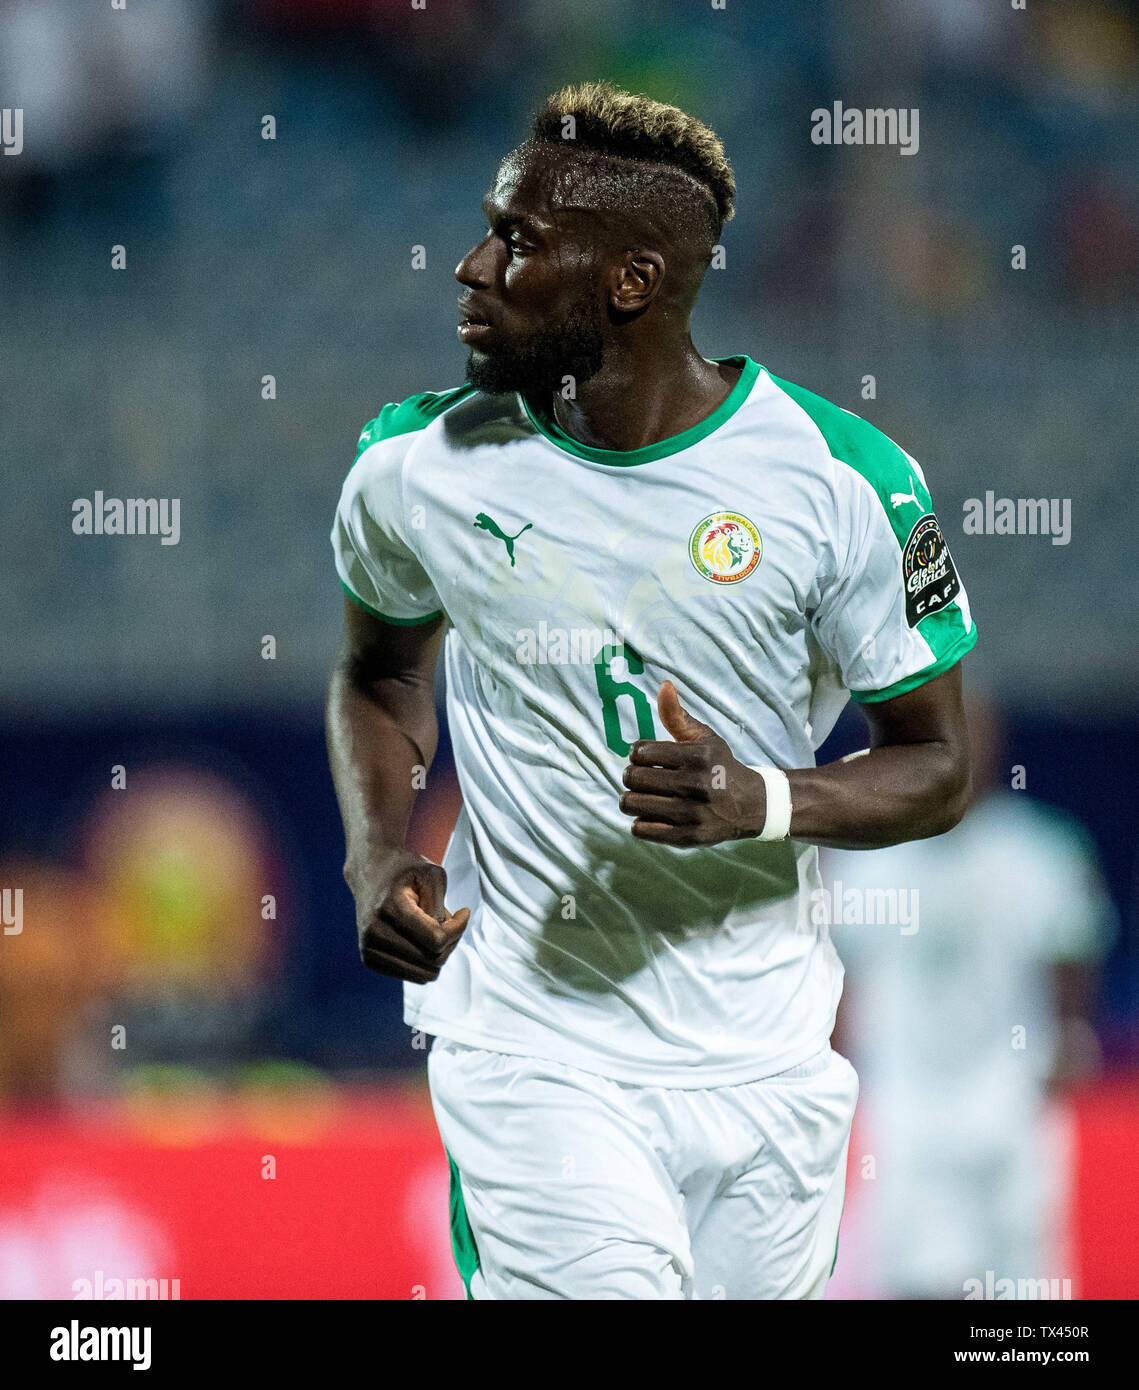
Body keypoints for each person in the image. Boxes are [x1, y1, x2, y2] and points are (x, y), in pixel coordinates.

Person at [326, 81, 977, 1300]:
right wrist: (374, 853)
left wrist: (763, 801)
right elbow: (379, 672)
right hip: (534, 1049)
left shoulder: (844, 485)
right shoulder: (415, 468)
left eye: (515, 243)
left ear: (627, 282)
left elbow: (936, 763)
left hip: (767, 1062)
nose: (469, 268)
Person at [825, 699, 1114, 1299]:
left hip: (1010, 1107)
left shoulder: (1040, 852)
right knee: (901, 1277)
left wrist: (1068, 1040)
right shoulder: (859, 859)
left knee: (1022, 1291)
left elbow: (1074, 951)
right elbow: (836, 980)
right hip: (902, 1113)